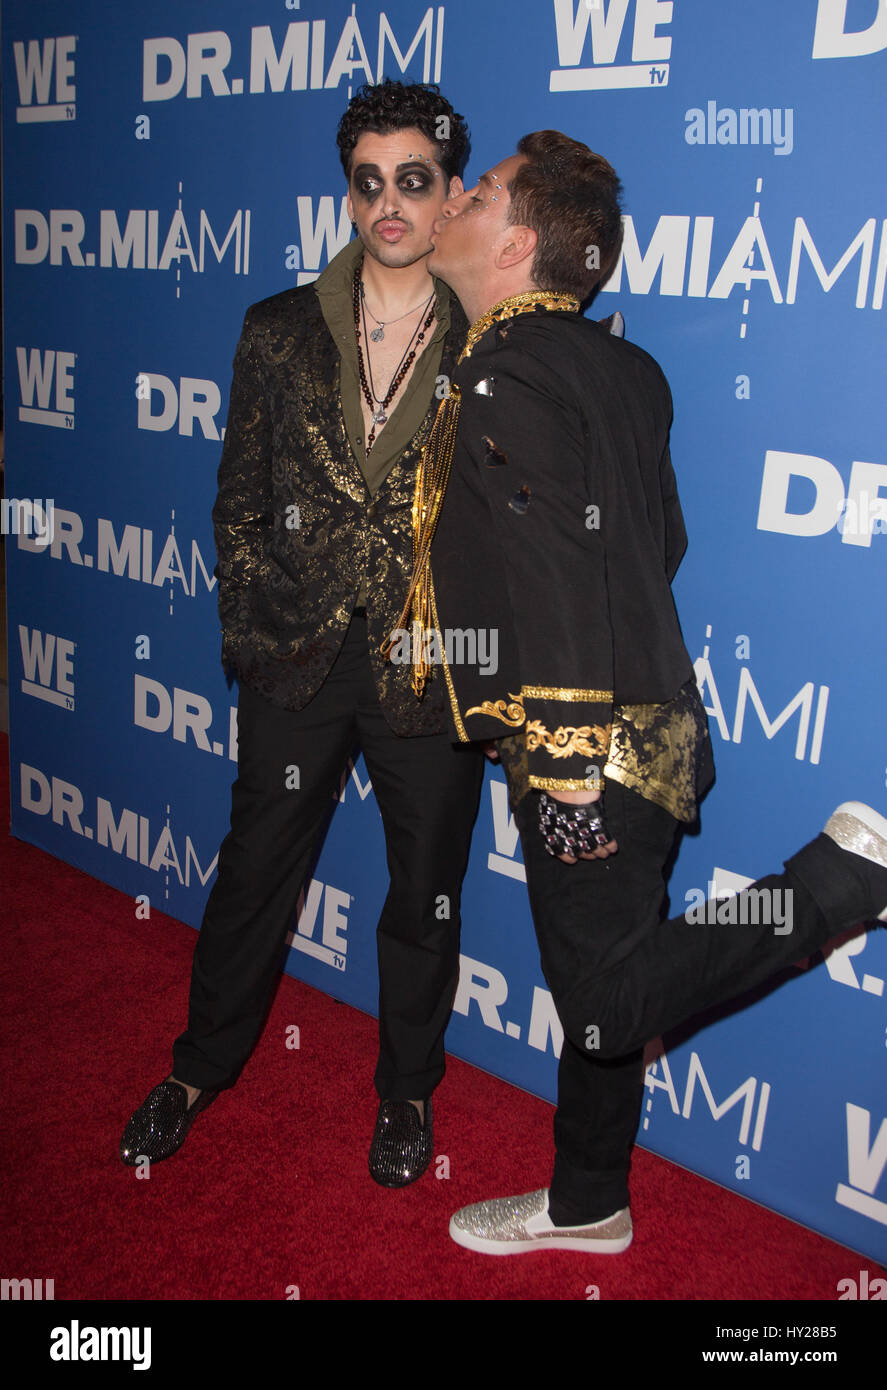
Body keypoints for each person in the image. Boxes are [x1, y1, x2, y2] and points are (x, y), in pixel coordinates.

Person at [389, 128, 887, 1250]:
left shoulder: (505, 371)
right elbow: (652, 544)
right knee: (607, 977)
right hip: (654, 722)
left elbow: (563, 567)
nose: (454, 202)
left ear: (515, 246)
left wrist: (562, 761)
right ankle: (588, 1199)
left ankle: (836, 882)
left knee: (605, 1001)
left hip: (590, 747)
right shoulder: (623, 366)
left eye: (477, 195)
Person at [120, 80, 484, 1188]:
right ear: (347, 192)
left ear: (449, 193)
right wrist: (254, 628)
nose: (389, 202)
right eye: (368, 181)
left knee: (423, 889)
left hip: (429, 668)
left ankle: (406, 1092)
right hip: (296, 654)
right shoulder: (275, 330)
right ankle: (197, 1068)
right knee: (254, 874)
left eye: (412, 181)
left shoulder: (490, 340)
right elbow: (237, 499)